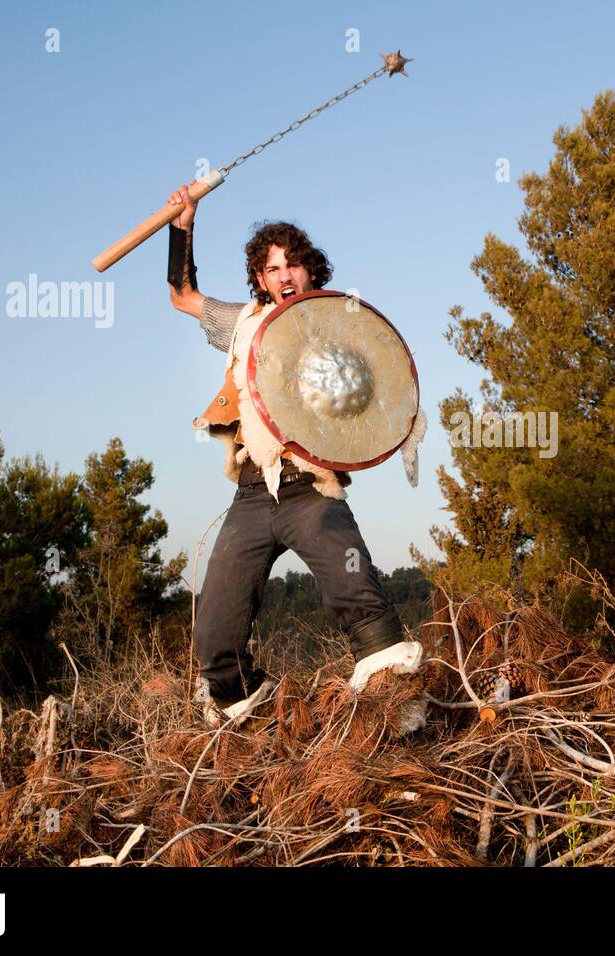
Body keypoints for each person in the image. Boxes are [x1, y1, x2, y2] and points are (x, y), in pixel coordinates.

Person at [165, 182, 424, 732]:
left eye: (294, 264)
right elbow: (183, 296)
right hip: (254, 493)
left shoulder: (341, 326)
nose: (284, 275)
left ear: (312, 272)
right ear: (259, 279)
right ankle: (263, 720)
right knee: (215, 634)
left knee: (360, 596)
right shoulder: (243, 323)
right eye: (271, 267)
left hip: (312, 490)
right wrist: (183, 224)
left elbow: (378, 391)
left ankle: (404, 722)